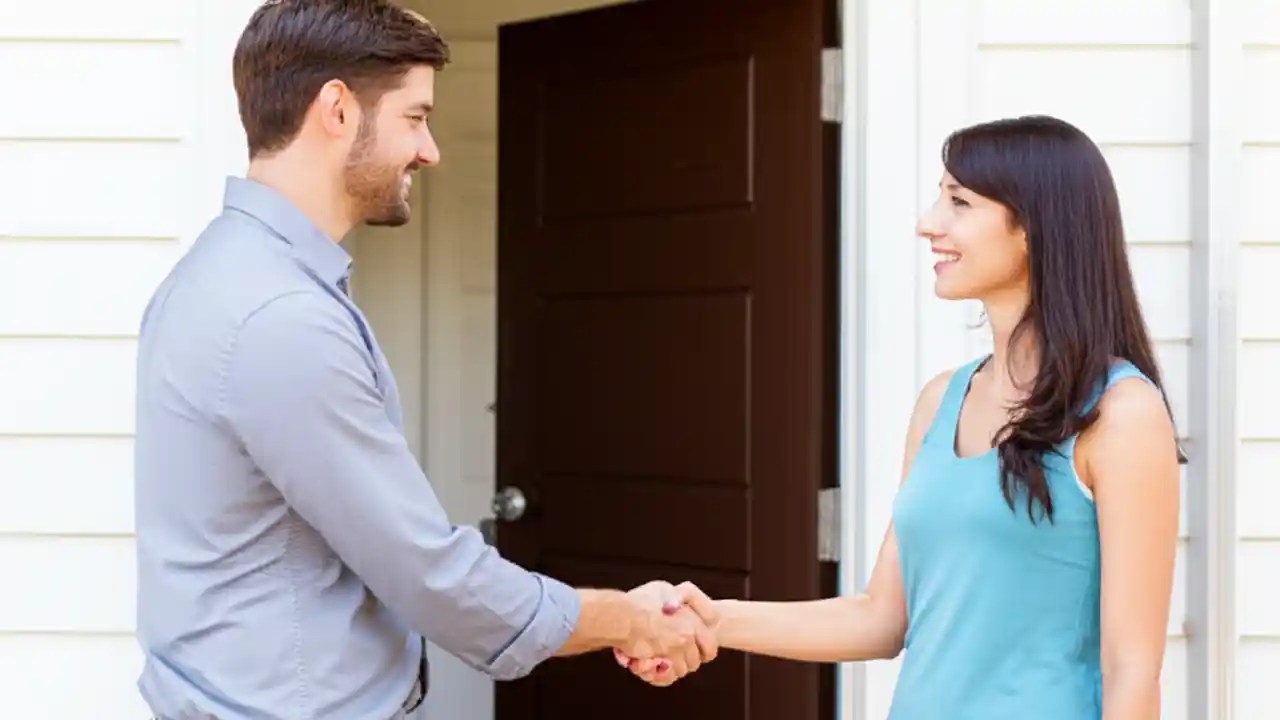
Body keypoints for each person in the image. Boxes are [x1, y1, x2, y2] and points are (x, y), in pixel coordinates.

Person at [132, 2, 715, 718]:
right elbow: (432, 576)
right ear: (337, 111)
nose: (430, 149)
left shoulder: (223, 277)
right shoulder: (278, 317)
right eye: (415, 117)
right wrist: (627, 617)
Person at [620, 115, 1182, 720]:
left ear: (1033, 227)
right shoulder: (942, 401)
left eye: (959, 202)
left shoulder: (1120, 414)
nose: (927, 224)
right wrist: (708, 619)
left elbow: (1132, 671)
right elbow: (882, 617)